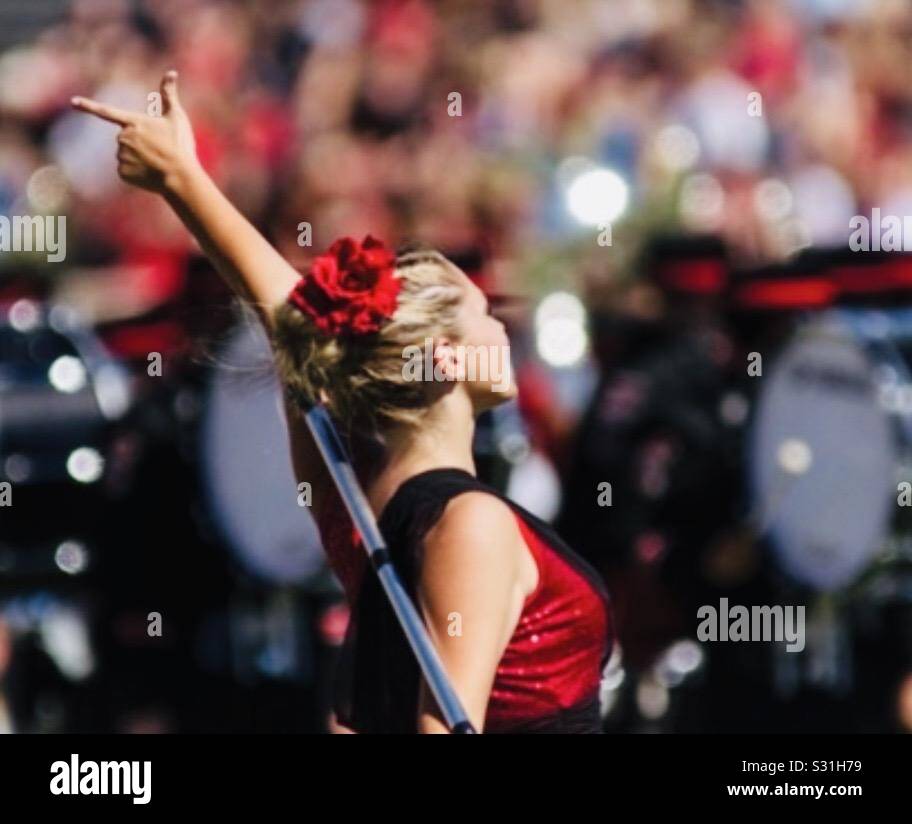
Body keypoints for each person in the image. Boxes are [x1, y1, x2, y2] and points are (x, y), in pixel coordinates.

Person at [71, 71, 614, 734]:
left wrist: (184, 181)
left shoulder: (355, 505)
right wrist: (182, 180)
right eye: (482, 312)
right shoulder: (469, 526)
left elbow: (289, 321)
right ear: (446, 357)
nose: (504, 327)